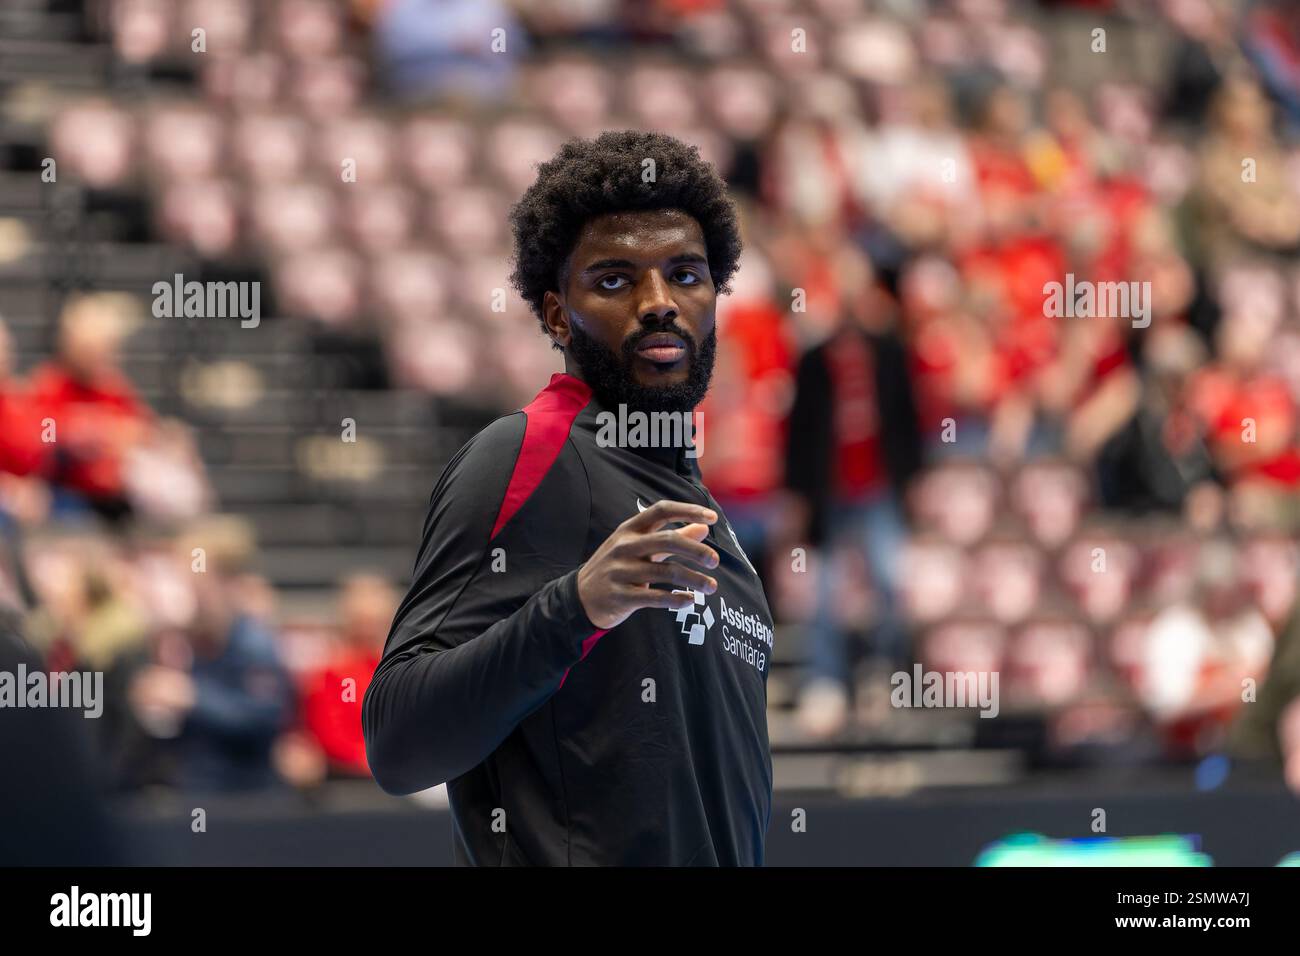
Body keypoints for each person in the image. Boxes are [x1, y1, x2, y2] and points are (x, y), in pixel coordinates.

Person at [363, 130, 773, 866]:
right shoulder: (529, 453)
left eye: (686, 274)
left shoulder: (714, 523)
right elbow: (398, 743)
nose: (659, 304)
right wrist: (575, 607)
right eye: (615, 281)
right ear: (556, 316)